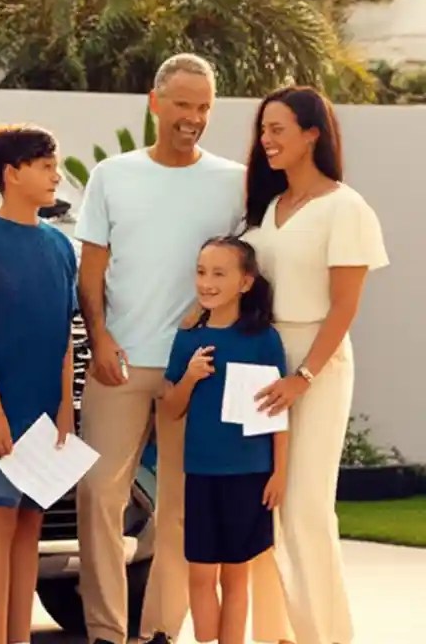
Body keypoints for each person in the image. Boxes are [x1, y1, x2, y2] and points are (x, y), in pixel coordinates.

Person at [72, 53, 249, 644]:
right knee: (99, 493)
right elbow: (90, 270)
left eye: (203, 107)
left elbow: (244, 270)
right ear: (155, 103)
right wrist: (98, 338)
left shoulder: (232, 181)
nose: (193, 118)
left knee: (177, 504)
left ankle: (160, 632)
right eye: (182, 104)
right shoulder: (112, 175)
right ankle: (105, 631)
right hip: (118, 362)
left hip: (193, 369)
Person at [240, 85, 389, 644]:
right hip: (260, 359)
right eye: (263, 129)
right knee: (264, 506)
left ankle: (326, 636)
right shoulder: (267, 205)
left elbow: (346, 304)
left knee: (304, 509)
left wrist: (304, 378)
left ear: (312, 134)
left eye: (278, 129)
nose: (266, 140)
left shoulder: (345, 207)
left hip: (316, 366)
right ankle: (276, 634)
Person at [0, 123, 78, 644]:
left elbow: (65, 334)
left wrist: (66, 406)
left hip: (45, 408)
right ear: (12, 173)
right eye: (45, 166)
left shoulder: (60, 246)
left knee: (31, 524)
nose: (56, 176)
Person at [160, 236, 291, 644]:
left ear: (245, 282)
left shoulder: (264, 340)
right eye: (201, 272)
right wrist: (191, 377)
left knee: (237, 576)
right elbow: (171, 408)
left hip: (249, 474)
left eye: (219, 273)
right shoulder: (187, 340)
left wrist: (279, 473)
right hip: (201, 472)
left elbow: (277, 413)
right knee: (200, 573)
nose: (207, 282)